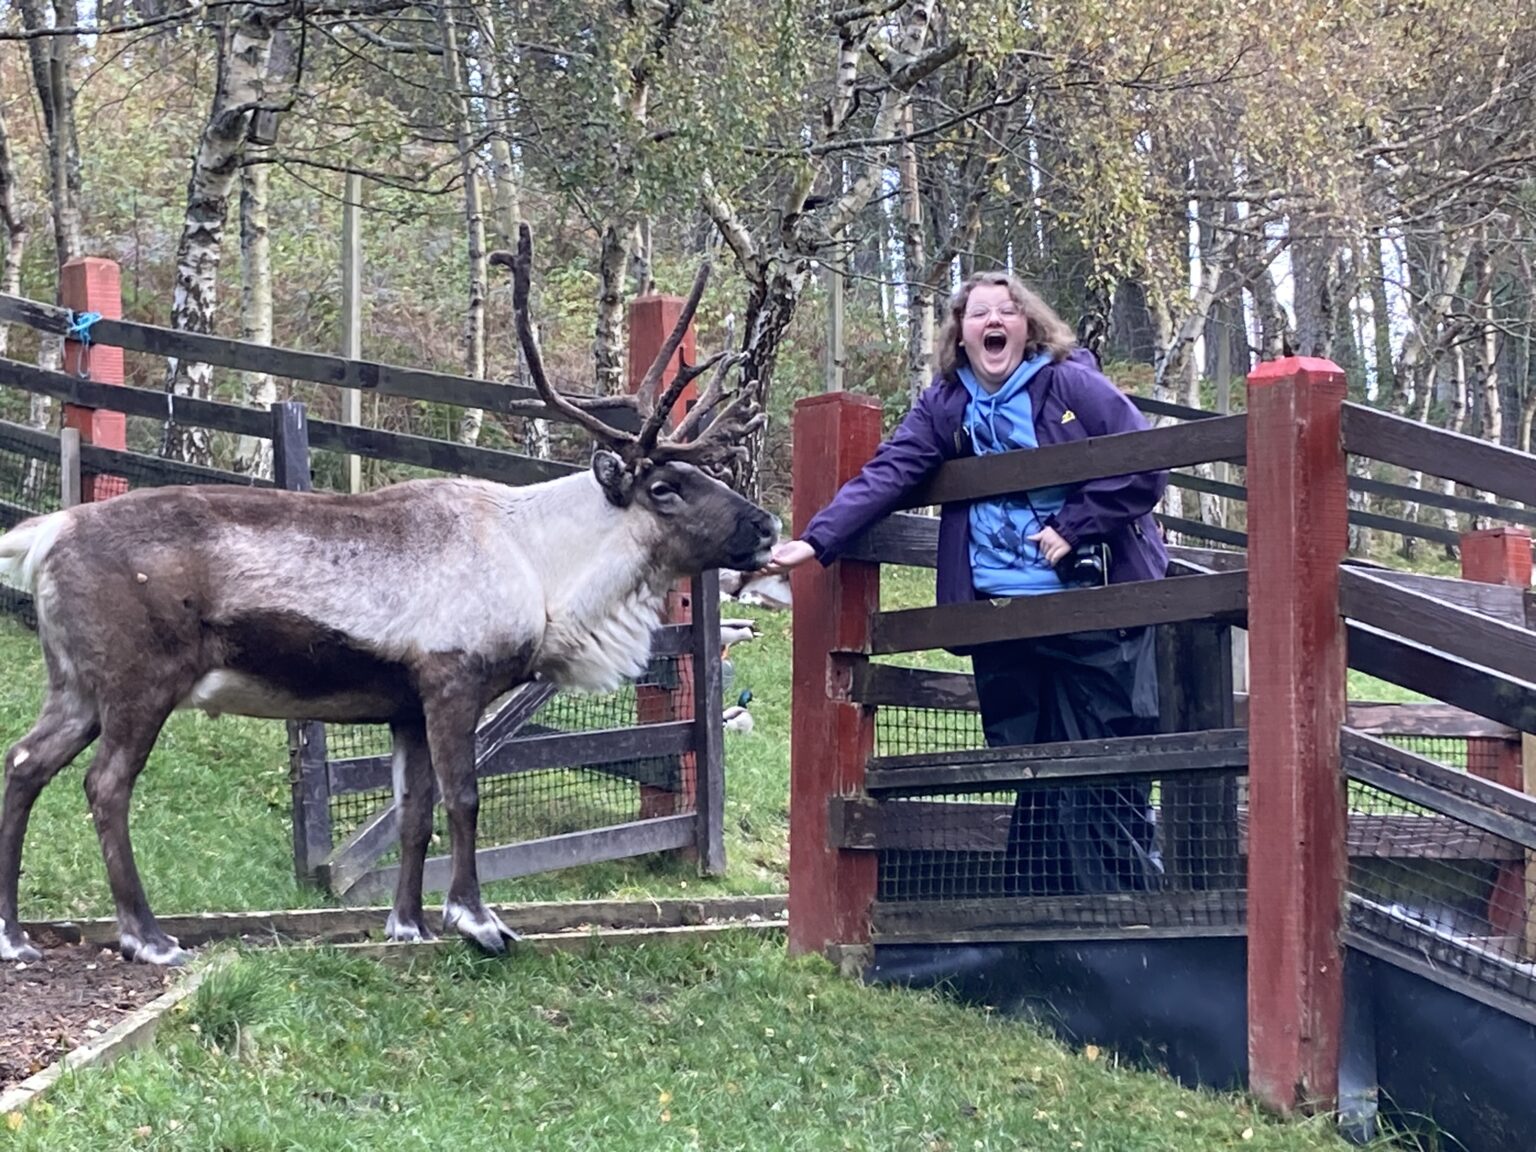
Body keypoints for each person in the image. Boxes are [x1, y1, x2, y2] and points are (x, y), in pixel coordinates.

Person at [762, 271, 1170, 896]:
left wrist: (1075, 525)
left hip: (1094, 614)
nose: (993, 321)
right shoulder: (946, 404)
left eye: (1006, 311)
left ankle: (1127, 918)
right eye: (978, 314)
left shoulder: (1068, 382)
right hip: (999, 617)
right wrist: (816, 540)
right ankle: (1036, 918)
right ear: (962, 332)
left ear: (1027, 324)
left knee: (1104, 766)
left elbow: (1143, 460)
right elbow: (890, 473)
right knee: (1028, 768)